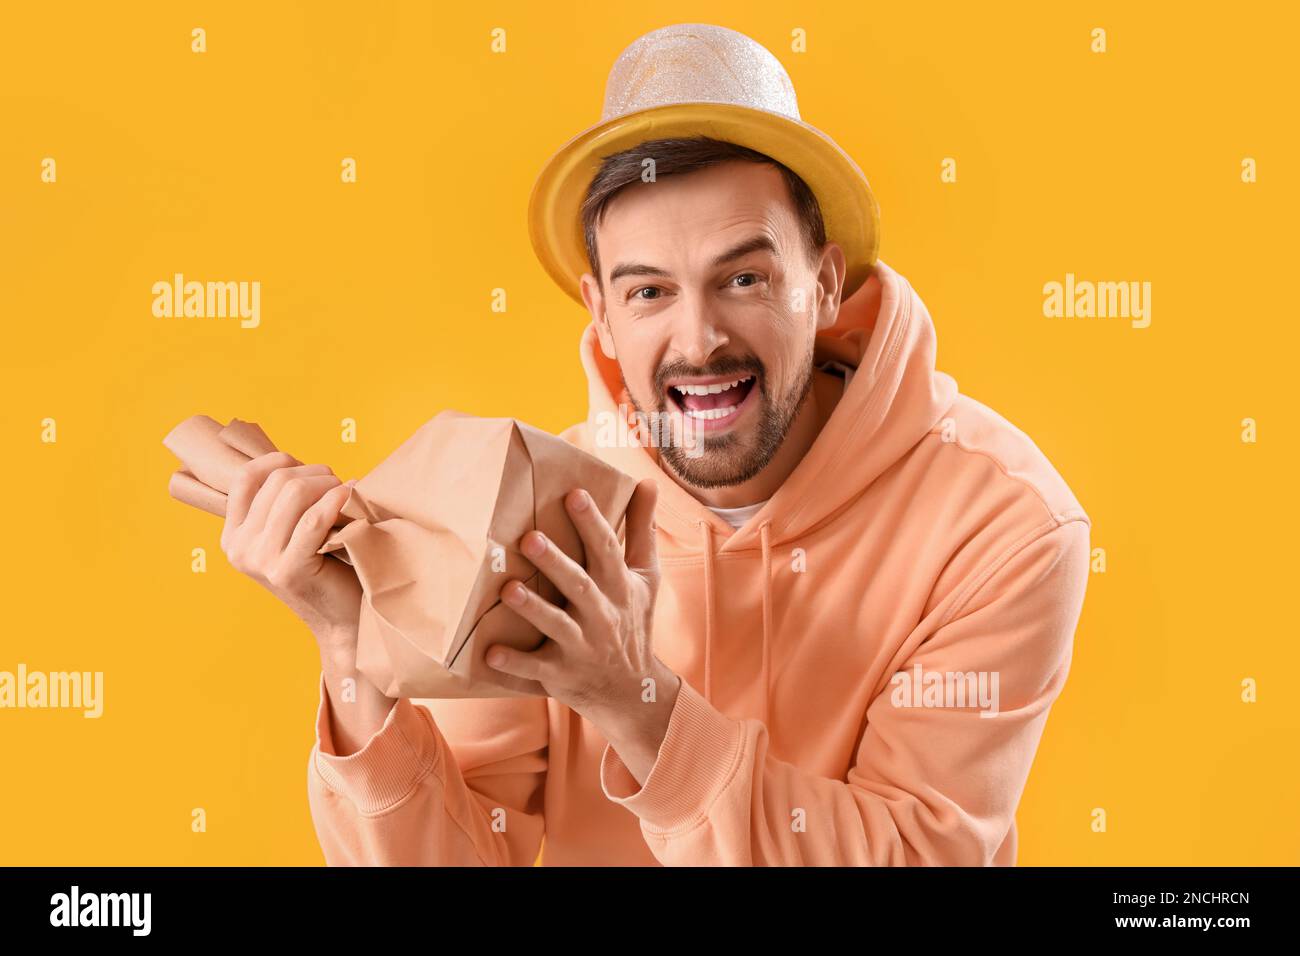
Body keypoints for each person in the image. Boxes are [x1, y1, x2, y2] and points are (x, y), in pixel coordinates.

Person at [220, 24, 1091, 866]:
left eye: (743, 278)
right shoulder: (537, 512)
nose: (700, 339)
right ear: (600, 311)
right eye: (649, 293)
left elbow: (913, 859)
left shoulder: (1003, 527)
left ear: (822, 284)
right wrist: (350, 651)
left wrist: (633, 701)